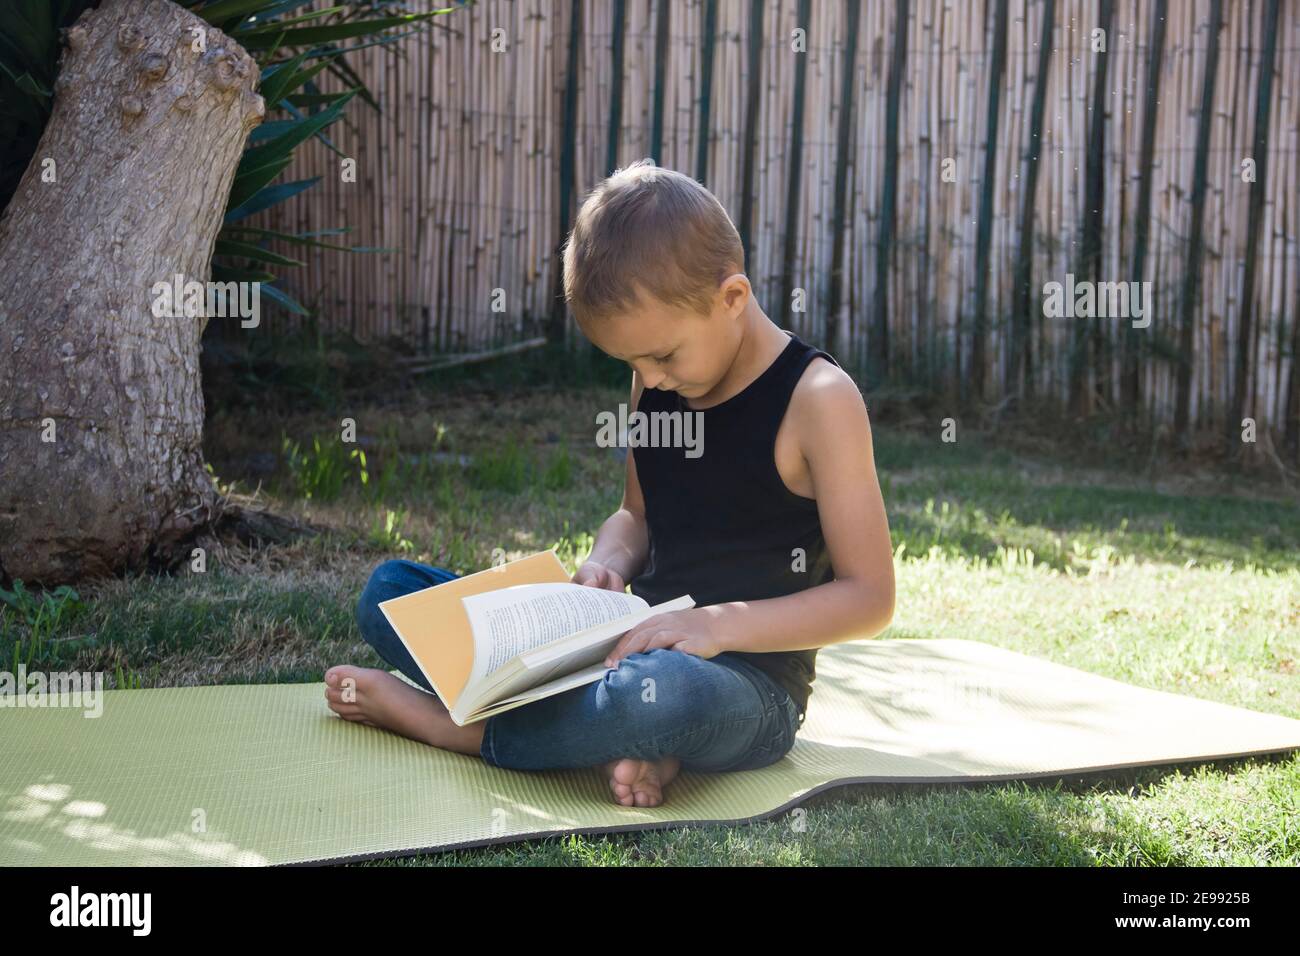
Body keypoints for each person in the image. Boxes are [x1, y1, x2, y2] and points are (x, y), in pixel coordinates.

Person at [325, 159, 895, 808]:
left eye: (661, 356)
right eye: (632, 363)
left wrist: (715, 627)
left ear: (731, 299)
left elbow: (869, 598)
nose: (649, 380)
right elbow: (636, 517)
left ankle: (456, 726)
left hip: (746, 684)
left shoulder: (818, 399)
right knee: (391, 592)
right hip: (624, 643)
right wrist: (606, 562)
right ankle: (635, 746)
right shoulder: (658, 382)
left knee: (663, 697)